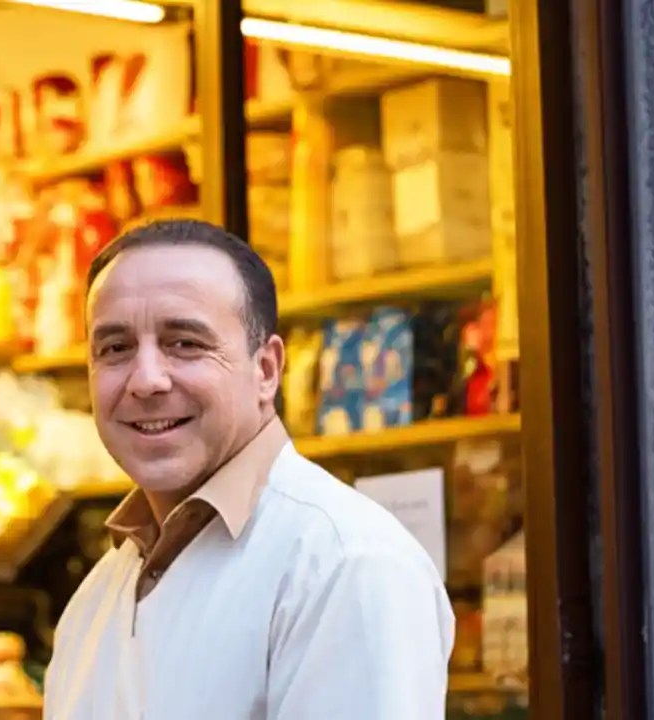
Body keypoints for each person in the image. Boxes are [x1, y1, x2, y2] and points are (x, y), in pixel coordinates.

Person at [43, 219, 454, 719]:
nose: (146, 380)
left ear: (266, 370)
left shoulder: (345, 564)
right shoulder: (97, 597)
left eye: (185, 343)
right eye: (115, 349)